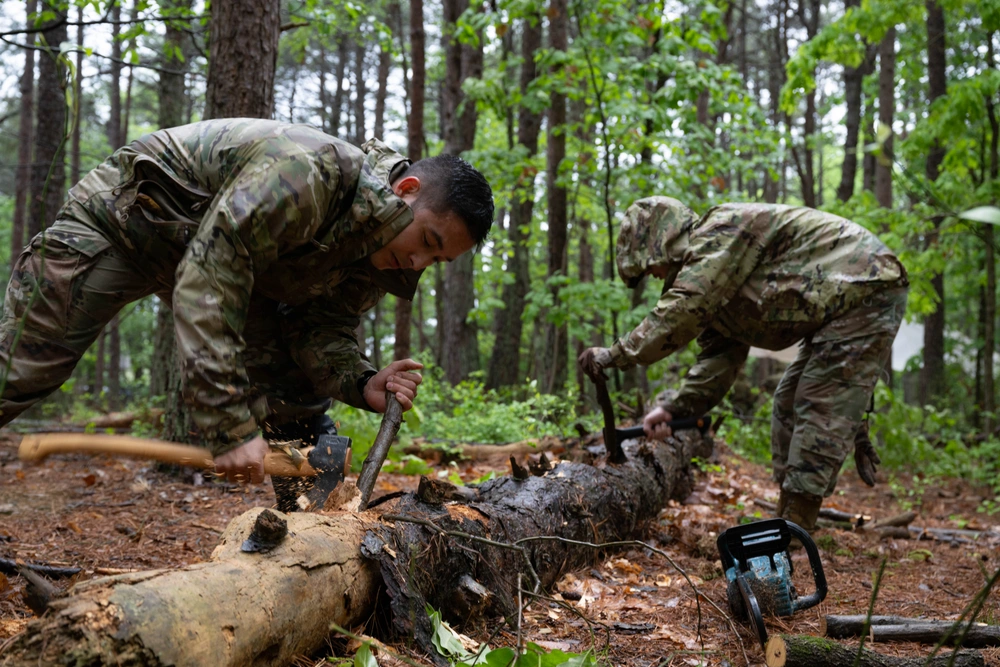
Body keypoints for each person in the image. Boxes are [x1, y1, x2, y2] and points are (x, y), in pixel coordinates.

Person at [0, 119, 494, 507]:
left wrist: (360, 381)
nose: (418, 263)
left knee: (293, 387)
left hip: (210, 261)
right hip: (128, 222)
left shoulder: (381, 254)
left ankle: (306, 538)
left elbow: (320, 327)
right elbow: (210, 275)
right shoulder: (309, 172)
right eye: (427, 241)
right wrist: (230, 428)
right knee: (21, 370)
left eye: (437, 260)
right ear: (406, 190)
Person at [579, 197, 907, 532]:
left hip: (866, 287)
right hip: (846, 301)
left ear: (662, 242)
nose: (654, 276)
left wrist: (615, 354)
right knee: (788, 401)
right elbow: (719, 360)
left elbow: (681, 312)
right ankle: (791, 518)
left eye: (651, 267)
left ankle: (795, 528)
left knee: (816, 403)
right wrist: (674, 409)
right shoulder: (714, 276)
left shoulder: (720, 233)